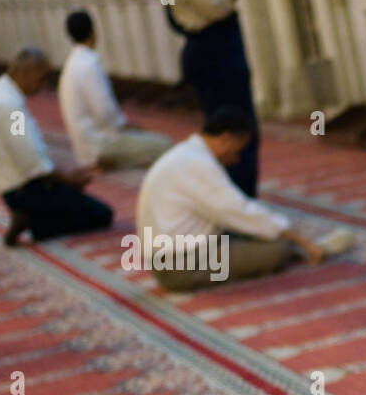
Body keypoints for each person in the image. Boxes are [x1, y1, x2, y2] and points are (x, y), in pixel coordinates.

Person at [135, 107, 350, 291]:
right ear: (225, 139)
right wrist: (300, 239)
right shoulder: (197, 166)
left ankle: (295, 246)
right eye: (237, 150)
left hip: (169, 257)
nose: (236, 159)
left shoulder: (186, 154)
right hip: (179, 268)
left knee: (257, 228)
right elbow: (240, 212)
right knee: (277, 249)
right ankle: (304, 250)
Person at [0, 48, 113, 246]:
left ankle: (35, 217)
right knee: (101, 215)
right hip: (26, 191)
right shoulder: (10, 109)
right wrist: (68, 179)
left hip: (18, 187)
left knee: (77, 202)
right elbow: (30, 163)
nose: (43, 85)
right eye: (42, 78)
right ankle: (33, 222)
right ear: (26, 73)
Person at [160, 0, 261, 196]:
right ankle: (240, 201)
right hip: (216, 53)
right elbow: (219, 6)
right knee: (237, 131)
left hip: (203, 51)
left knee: (223, 126)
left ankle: (231, 199)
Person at [58, 9, 172, 170]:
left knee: (144, 141)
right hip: (100, 145)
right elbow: (106, 114)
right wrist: (132, 129)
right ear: (93, 32)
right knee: (164, 145)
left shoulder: (70, 65)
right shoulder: (89, 65)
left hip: (83, 147)